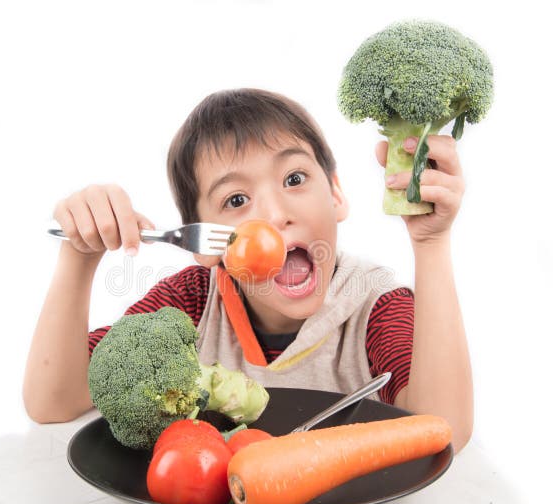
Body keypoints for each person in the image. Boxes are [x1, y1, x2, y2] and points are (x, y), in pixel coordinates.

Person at [23, 88, 473, 452]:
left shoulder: (376, 304)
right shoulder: (192, 301)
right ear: (202, 244)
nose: (275, 215)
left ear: (335, 194)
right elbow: (54, 401)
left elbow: (441, 427)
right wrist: (78, 260)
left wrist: (430, 244)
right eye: (236, 201)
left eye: (294, 179)